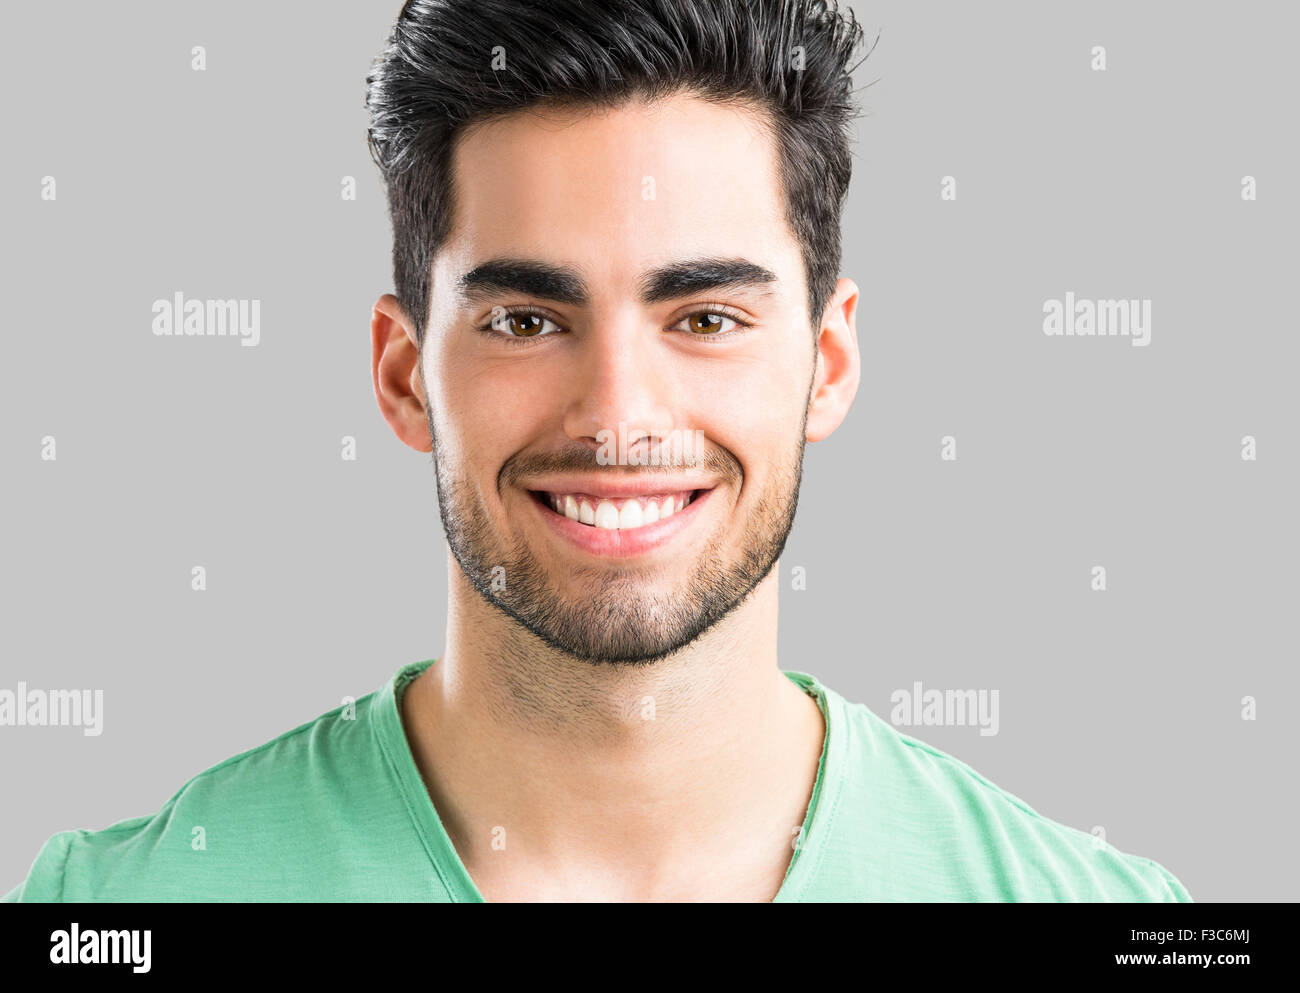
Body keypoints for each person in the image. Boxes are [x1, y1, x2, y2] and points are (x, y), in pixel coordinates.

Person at [3, 0, 1190, 902]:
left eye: (705, 318)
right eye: (527, 320)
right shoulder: (104, 911)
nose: (618, 415)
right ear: (405, 373)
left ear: (826, 363)